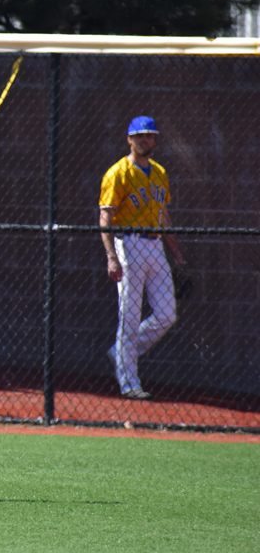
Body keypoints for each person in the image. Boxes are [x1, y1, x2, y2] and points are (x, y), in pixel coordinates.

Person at [99, 116, 185, 400]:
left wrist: (177, 256)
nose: (144, 140)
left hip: (155, 245)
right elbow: (105, 216)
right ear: (129, 139)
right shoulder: (118, 173)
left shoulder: (159, 172)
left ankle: (121, 354)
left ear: (155, 140)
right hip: (129, 244)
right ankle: (129, 382)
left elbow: (164, 215)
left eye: (149, 136)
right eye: (139, 136)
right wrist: (111, 256)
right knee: (129, 314)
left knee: (167, 314)